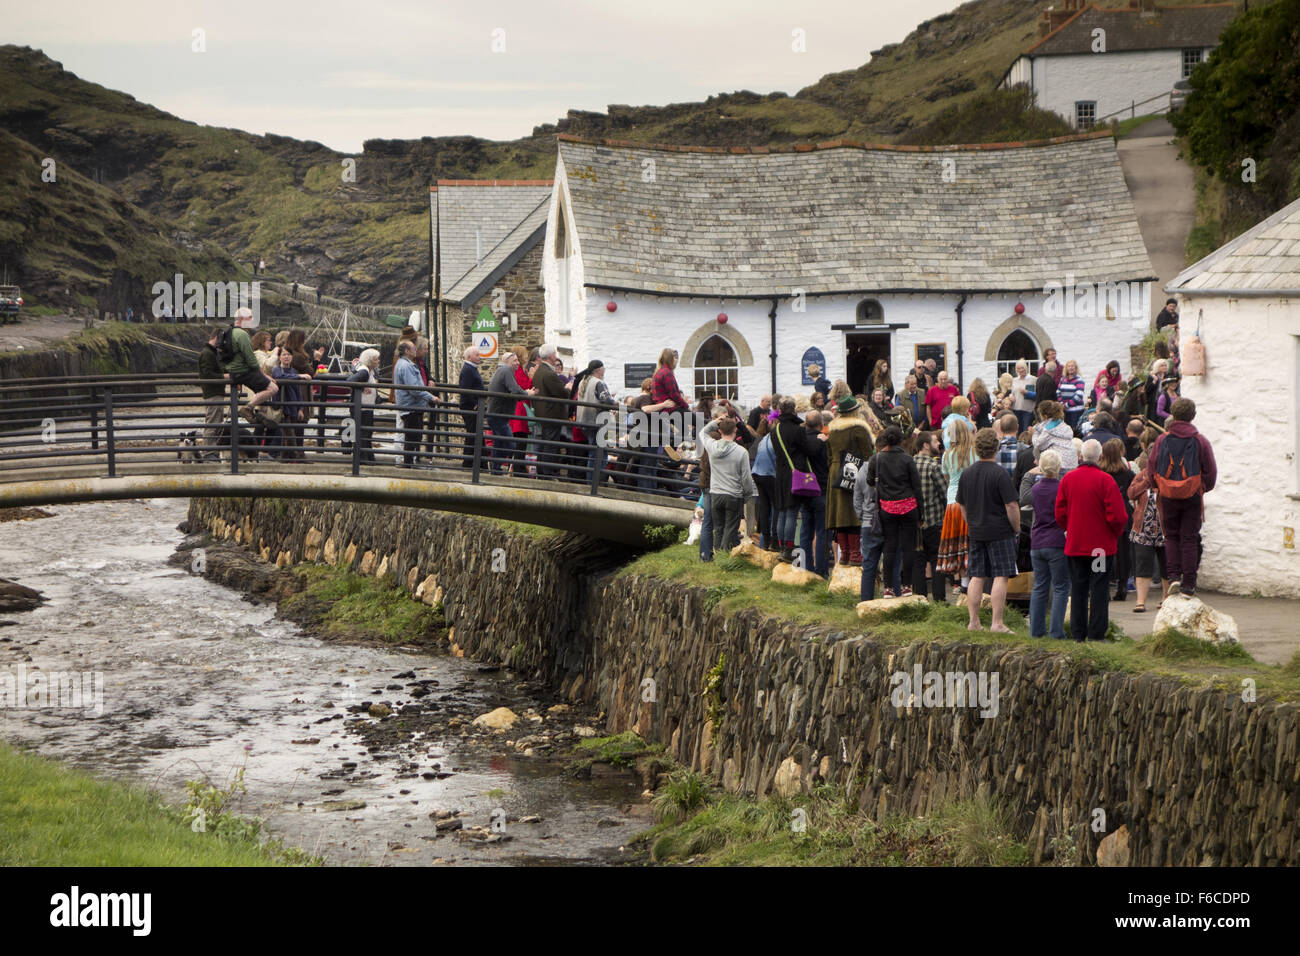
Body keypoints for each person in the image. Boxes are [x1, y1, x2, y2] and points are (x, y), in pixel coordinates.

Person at [1055, 439, 1127, 641]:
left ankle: (1078, 633)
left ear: (1081, 456)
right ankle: (1096, 634)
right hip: (1099, 548)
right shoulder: (1105, 481)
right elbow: (1118, 516)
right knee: (1099, 589)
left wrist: (1070, 528)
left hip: (1077, 545)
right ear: (1100, 457)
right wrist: (1113, 534)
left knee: (1078, 589)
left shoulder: (1068, 480)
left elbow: (1060, 512)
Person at [1146, 397, 1216, 597]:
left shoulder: (1162, 440)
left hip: (1167, 495)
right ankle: (1189, 584)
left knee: (1171, 537)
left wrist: (1159, 486)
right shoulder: (1200, 441)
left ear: (1173, 415)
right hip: (1192, 494)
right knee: (1189, 538)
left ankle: (1174, 577)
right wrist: (1201, 487)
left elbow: (1151, 469)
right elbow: (1211, 472)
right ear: (1193, 416)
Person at [955, 428, 1020, 632]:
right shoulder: (1000, 474)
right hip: (1000, 531)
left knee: (977, 576)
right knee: (1001, 576)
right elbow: (1011, 506)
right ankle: (997, 623)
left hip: (976, 530)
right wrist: (1016, 528)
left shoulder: (967, 473)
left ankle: (973, 622)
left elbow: (961, 505)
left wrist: (971, 523)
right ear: (996, 448)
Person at [867, 425, 922, 598]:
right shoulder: (907, 459)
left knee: (889, 547)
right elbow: (917, 487)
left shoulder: (876, 459)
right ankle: (907, 586)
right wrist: (922, 514)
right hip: (909, 506)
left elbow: (870, 481)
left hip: (887, 507)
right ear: (900, 440)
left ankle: (888, 588)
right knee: (908, 547)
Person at [771, 396, 822, 564]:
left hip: (780, 474)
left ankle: (781, 546)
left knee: (782, 511)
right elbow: (807, 449)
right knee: (792, 512)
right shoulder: (798, 430)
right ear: (794, 409)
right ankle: (788, 549)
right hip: (795, 475)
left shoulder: (775, 431)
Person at [826, 394, 874, 568]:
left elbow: (829, 454)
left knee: (839, 513)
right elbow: (868, 454)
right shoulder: (858, 428)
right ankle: (855, 554)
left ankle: (844, 553)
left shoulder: (831, 429)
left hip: (835, 470)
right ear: (854, 411)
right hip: (854, 470)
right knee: (853, 511)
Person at [1025, 448, 1068, 638]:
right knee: (1060, 587)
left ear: (1040, 468)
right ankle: (1056, 631)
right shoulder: (1062, 488)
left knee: (1039, 587)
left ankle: (1036, 630)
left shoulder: (1035, 489)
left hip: (1037, 541)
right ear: (1059, 467)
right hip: (1057, 540)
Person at [699, 414, 756, 556]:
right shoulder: (741, 452)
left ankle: (717, 555)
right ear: (735, 431)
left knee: (718, 528)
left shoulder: (712, 446)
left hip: (716, 493)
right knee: (730, 528)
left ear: (720, 431)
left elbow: (702, 432)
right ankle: (724, 557)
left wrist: (714, 422)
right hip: (734, 495)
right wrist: (748, 494)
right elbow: (746, 477)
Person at [937, 417, 975, 590]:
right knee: (970, 542)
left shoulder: (947, 454)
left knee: (957, 544)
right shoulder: (974, 452)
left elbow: (947, 478)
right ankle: (975, 582)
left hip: (952, 501)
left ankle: (963, 583)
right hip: (971, 501)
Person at [1128, 449, 1168, 612]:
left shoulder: (1168, 475)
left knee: (1166, 565)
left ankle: (1166, 598)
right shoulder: (1143, 475)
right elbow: (1131, 493)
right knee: (1143, 564)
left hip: (1164, 529)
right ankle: (1140, 601)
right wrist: (1146, 482)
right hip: (1143, 529)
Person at [222, 314, 280, 425]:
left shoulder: (230, 332)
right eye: (250, 317)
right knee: (273, 388)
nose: (253, 320)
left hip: (235, 371)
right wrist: (263, 374)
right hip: (244, 371)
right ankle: (248, 408)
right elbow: (251, 358)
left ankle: (250, 409)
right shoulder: (242, 334)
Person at [912, 430, 947, 602]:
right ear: (926, 445)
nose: (938, 444)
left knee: (918, 562)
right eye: (935, 442)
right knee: (937, 561)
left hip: (914, 522)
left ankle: (920, 599)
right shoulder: (934, 466)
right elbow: (944, 493)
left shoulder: (909, 464)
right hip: (934, 521)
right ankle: (939, 599)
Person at [795, 410, 831, 576]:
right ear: (821, 424)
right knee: (822, 532)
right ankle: (821, 570)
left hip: (804, 489)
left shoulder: (800, 441)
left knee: (805, 531)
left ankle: (804, 567)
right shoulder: (824, 441)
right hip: (822, 489)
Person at [1100, 438, 1135, 602]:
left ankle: (1101, 585)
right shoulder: (1128, 474)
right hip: (1122, 514)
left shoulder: (1100, 474)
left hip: (1102, 514)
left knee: (1099, 551)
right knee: (1123, 553)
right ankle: (1122, 585)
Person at [486, 351, 531, 475]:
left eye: (517, 360)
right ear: (506, 362)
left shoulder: (502, 370)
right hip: (498, 415)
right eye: (514, 361)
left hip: (496, 414)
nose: (517, 363)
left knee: (498, 443)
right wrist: (528, 393)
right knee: (510, 444)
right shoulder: (506, 370)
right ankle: (496, 466)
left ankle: (496, 469)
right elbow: (515, 389)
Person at [575, 360, 617, 484]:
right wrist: (614, 402)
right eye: (603, 368)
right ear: (598, 370)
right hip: (596, 420)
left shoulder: (583, 381)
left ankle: (591, 482)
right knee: (599, 454)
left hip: (584, 420)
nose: (604, 370)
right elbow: (606, 400)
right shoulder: (598, 383)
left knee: (594, 452)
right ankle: (595, 482)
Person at [533, 344, 571, 478]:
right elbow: (562, 393)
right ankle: (546, 473)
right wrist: (568, 387)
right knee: (550, 445)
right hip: (551, 414)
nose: (556, 357)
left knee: (544, 444)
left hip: (543, 413)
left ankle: (541, 471)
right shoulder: (549, 373)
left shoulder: (539, 371)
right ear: (550, 357)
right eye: (554, 354)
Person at [394, 339, 432, 467]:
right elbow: (414, 389)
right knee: (412, 437)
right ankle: (408, 463)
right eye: (413, 349)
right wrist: (431, 397)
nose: (416, 350)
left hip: (410, 406)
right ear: (406, 351)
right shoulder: (406, 366)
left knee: (413, 436)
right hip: (411, 407)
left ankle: (409, 462)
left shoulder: (403, 364)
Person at [852, 453, 884, 601]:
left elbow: (857, 499)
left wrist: (862, 516)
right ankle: (893, 598)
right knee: (893, 565)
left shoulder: (862, 470)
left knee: (868, 566)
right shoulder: (888, 467)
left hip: (867, 522)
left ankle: (865, 601)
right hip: (886, 520)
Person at [270, 346, 310, 459]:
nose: (286, 357)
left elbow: (298, 392)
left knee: (290, 434)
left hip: (293, 406)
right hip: (282, 407)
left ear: (292, 357)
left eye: (289, 354)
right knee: (289, 434)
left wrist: (300, 408)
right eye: (284, 354)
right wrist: (299, 376)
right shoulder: (277, 369)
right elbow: (280, 377)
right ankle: (297, 457)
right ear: (279, 357)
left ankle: (285, 457)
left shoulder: (293, 371)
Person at [343, 348, 380, 464]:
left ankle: (367, 457)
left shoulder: (369, 371)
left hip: (366, 406)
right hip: (363, 408)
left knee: (366, 432)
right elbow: (350, 381)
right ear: (370, 361)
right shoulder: (364, 371)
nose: (378, 361)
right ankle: (363, 458)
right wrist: (361, 387)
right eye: (376, 359)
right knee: (364, 433)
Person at [197, 327, 229, 462]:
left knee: (216, 422)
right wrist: (224, 376)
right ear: (217, 338)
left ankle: (212, 450)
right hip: (213, 393)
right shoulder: (208, 354)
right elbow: (207, 374)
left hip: (215, 392)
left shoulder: (211, 353)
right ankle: (208, 451)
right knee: (213, 422)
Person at [751, 417, 779, 549]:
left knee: (764, 506)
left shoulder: (764, 438)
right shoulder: (777, 437)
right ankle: (774, 540)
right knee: (776, 507)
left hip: (757, 474)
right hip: (770, 474)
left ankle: (764, 540)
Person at [1030, 401, 1078, 473]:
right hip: (1072, 464)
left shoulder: (1049, 430)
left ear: (1045, 416)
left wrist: (1034, 434)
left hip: (1059, 466)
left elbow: (1038, 445)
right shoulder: (1063, 425)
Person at [457, 346, 485, 468]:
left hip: (473, 405)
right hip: (470, 407)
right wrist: (474, 403)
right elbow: (465, 389)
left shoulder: (471, 368)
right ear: (469, 357)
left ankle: (479, 463)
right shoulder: (468, 369)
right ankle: (469, 463)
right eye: (477, 355)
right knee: (473, 433)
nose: (479, 357)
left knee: (476, 433)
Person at [1058, 360, 1087, 433]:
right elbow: (1058, 392)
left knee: (1075, 432)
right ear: (1066, 368)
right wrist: (1061, 404)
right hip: (1065, 411)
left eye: (1072, 366)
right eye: (1069, 366)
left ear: (1076, 368)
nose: (1071, 368)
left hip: (1076, 411)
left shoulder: (1079, 380)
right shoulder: (1062, 379)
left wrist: (1067, 405)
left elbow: (1079, 396)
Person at [1011, 360, 1036, 434]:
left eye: (1022, 368)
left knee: (1025, 432)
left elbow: (1036, 395)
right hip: (1015, 409)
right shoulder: (1014, 380)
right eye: (1018, 368)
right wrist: (1010, 396)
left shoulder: (1033, 379)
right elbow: (1013, 392)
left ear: (1026, 368)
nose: (1021, 370)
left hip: (1027, 410)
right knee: (1017, 431)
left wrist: (1026, 392)